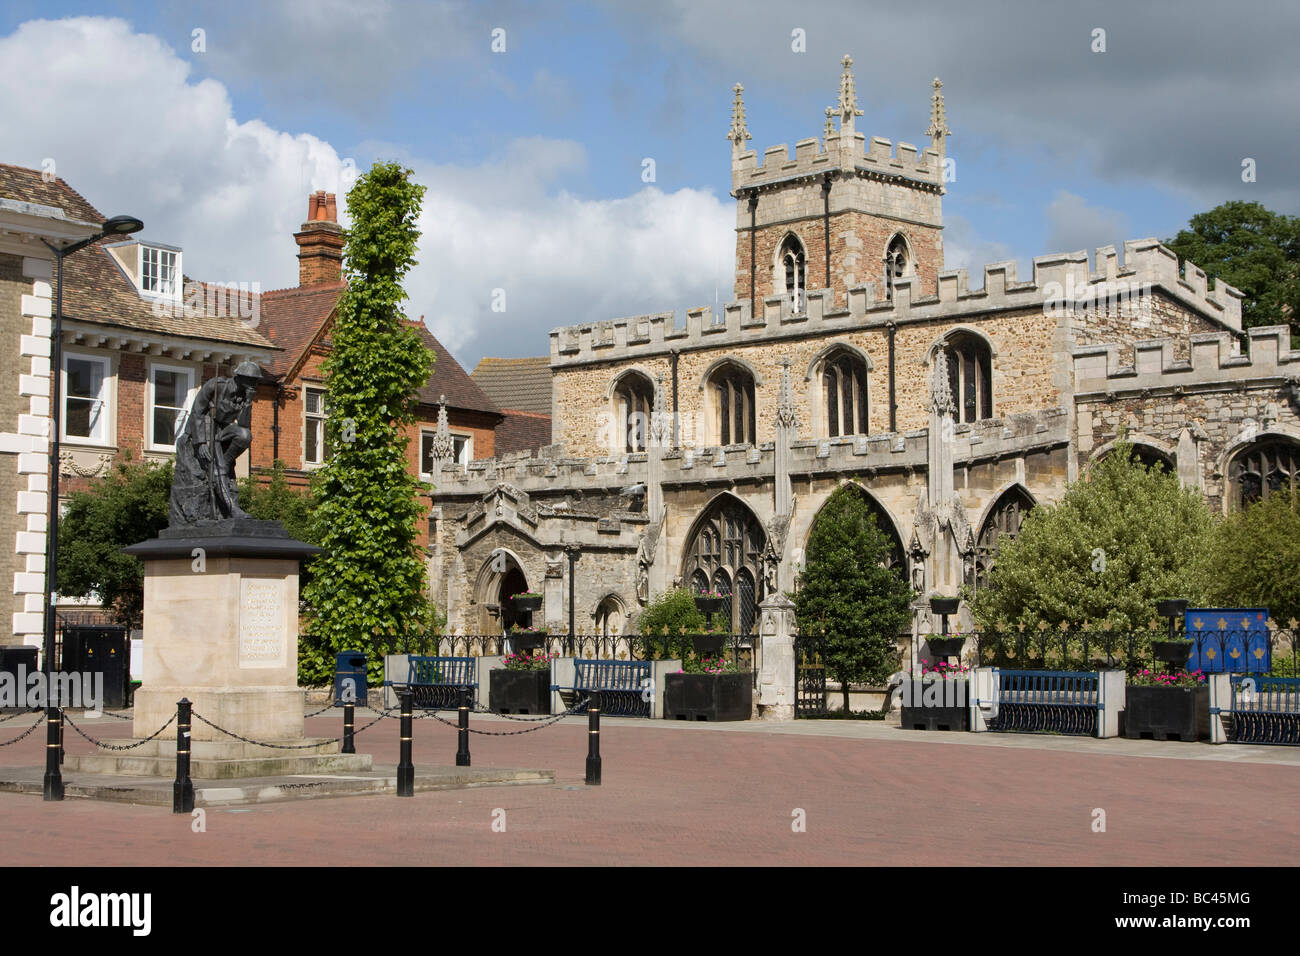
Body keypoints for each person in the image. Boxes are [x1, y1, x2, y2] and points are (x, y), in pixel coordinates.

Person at [168, 362, 262, 526]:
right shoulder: (217, 385)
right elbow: (197, 412)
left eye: (255, 380)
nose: (254, 384)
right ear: (240, 378)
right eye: (251, 380)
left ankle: (224, 464)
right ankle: (232, 509)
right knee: (217, 467)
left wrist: (248, 401)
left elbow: (243, 425)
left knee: (245, 436)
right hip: (205, 426)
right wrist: (201, 442)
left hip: (222, 429)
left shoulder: (243, 397)